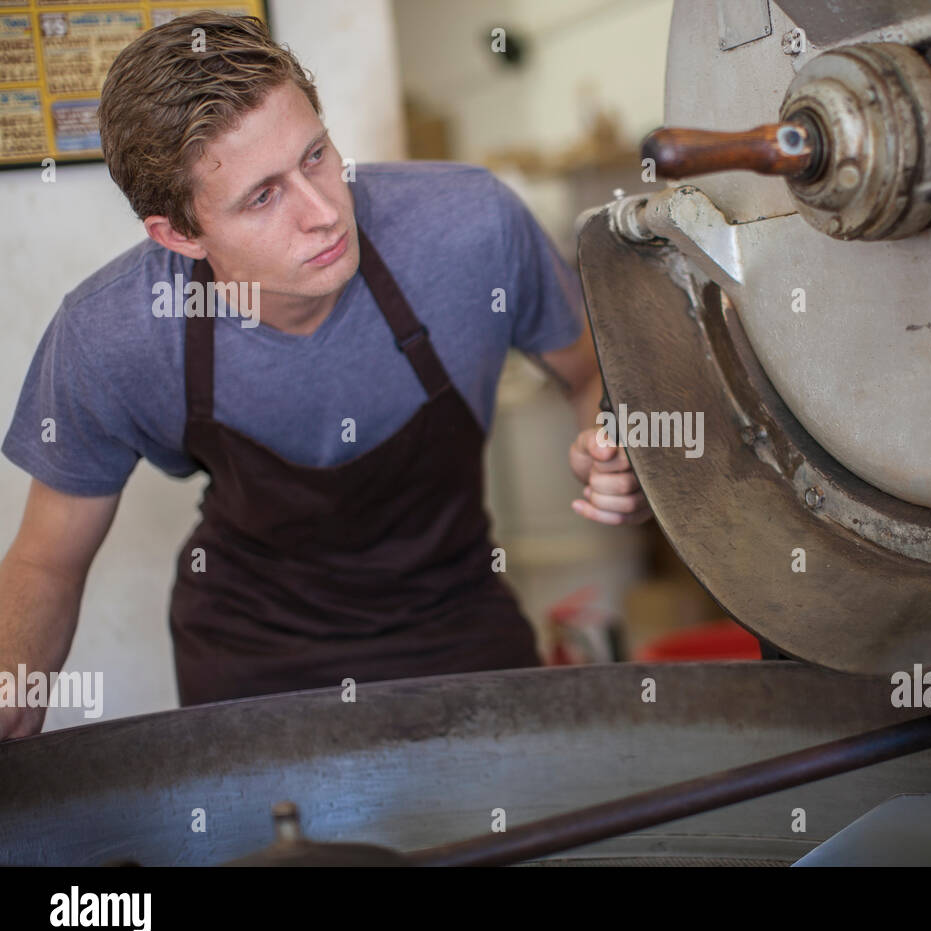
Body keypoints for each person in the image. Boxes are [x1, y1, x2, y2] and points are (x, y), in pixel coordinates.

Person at [0, 13, 650, 739]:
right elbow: (46, 562)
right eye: (263, 196)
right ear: (178, 235)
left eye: (315, 156)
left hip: (457, 624)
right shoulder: (112, 333)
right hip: (251, 661)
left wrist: (614, 448)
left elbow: (590, 375)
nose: (323, 213)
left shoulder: (472, 228)